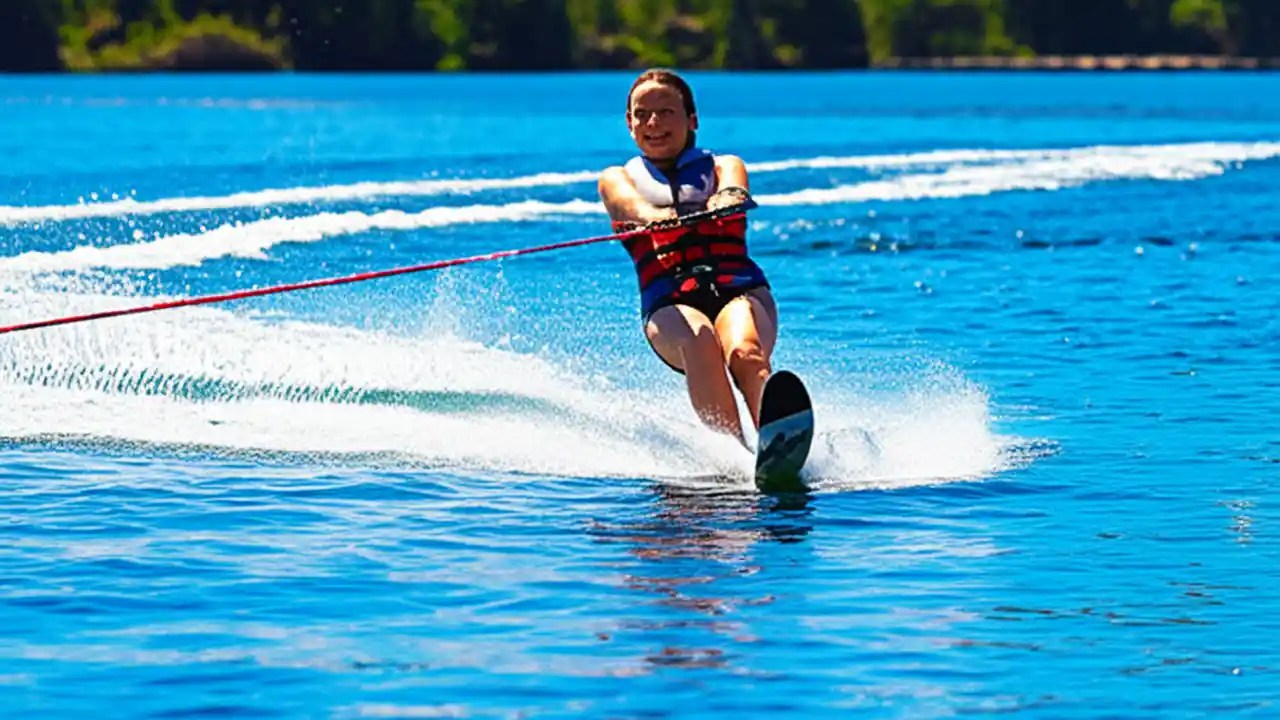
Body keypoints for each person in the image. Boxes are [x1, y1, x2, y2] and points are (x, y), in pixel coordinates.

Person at [598, 68, 778, 447]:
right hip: (669, 306)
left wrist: (724, 201)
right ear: (629, 125)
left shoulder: (724, 166)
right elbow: (630, 204)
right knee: (700, 343)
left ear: (692, 119)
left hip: (738, 292)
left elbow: (734, 190)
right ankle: (736, 455)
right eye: (642, 114)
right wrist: (655, 218)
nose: (654, 122)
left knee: (743, 350)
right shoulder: (616, 179)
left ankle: (778, 441)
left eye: (666, 112)